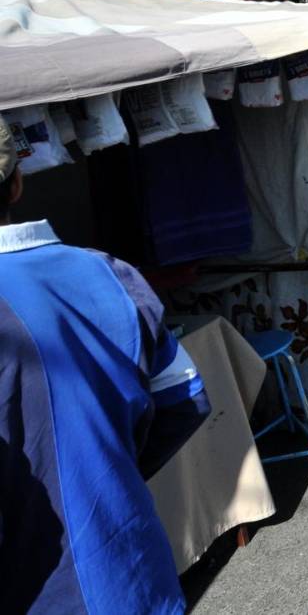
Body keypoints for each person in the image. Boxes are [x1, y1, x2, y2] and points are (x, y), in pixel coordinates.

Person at [0, 121, 211, 615]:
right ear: (17, 182)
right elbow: (184, 398)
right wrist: (109, 467)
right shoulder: (110, 273)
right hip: (133, 573)